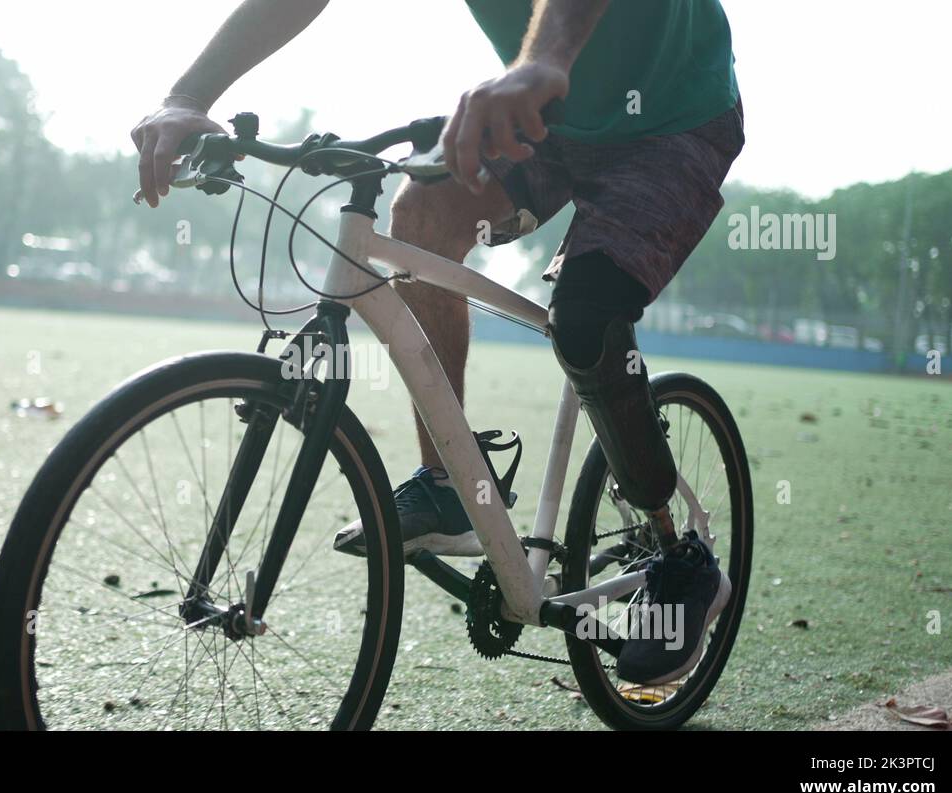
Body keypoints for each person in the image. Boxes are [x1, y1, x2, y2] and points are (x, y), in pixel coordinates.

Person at [131, 0, 745, 685]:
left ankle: (679, 553)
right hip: (549, 115)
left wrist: (542, 60)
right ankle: (453, 484)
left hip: (673, 117)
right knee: (418, 219)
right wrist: (187, 96)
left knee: (585, 321)